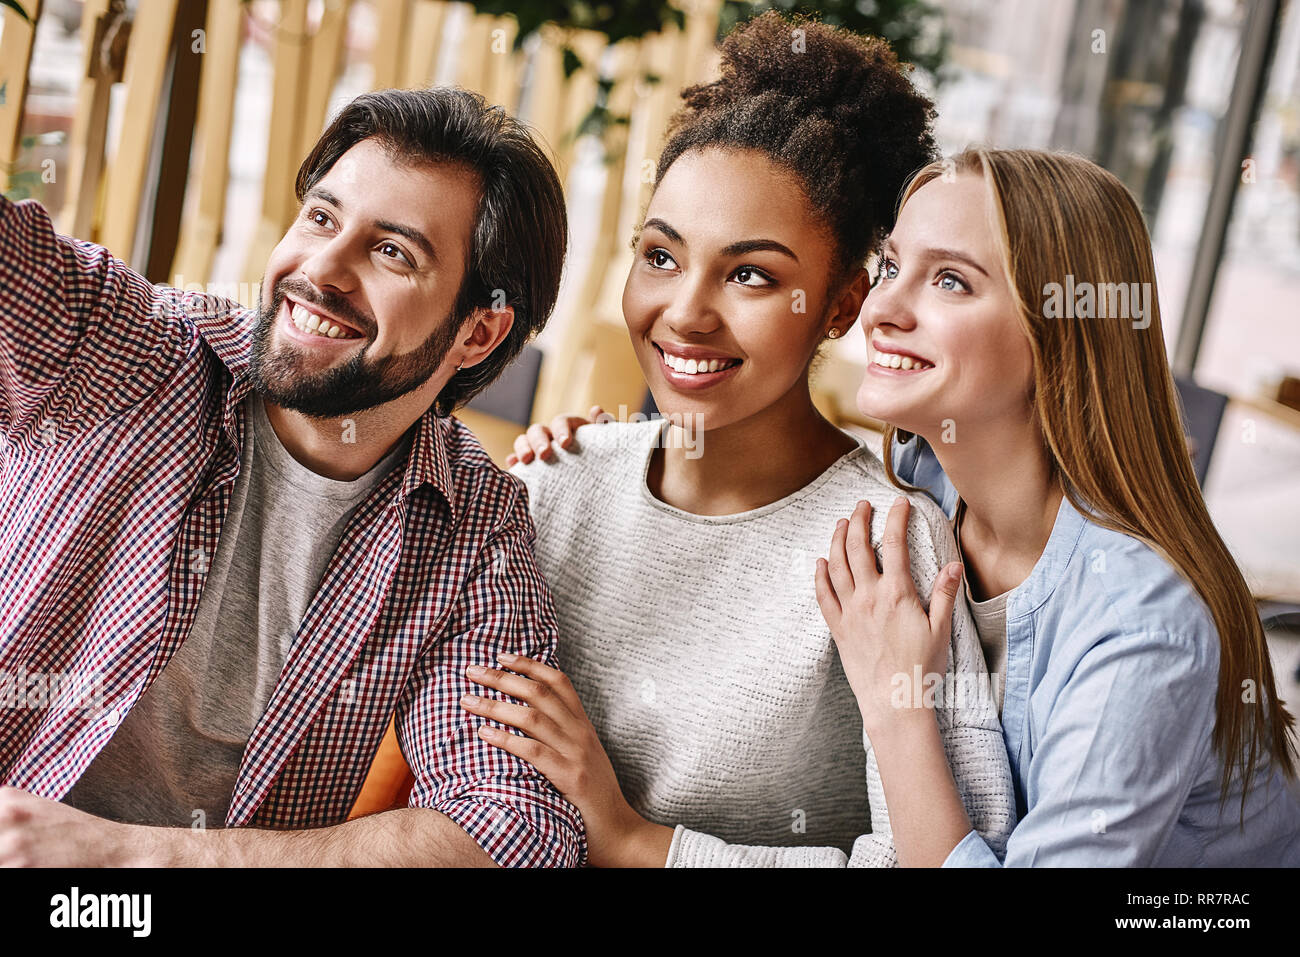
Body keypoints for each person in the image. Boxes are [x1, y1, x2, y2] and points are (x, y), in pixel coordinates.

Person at [459, 12, 1016, 867]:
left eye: (751, 274)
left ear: (841, 304)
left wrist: (638, 841)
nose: (685, 313)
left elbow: (946, 860)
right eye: (660, 256)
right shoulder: (553, 484)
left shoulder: (885, 545)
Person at [0, 88, 585, 866]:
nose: (321, 269)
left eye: (391, 252)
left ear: (478, 331)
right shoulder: (124, 343)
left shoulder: (471, 529)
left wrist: (130, 855)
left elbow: (515, 826)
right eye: (321, 217)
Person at [817, 147, 1300, 865]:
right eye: (891, 266)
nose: (882, 307)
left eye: (950, 280)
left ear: (1059, 335)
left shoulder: (1143, 621)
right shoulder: (927, 484)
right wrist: (606, 451)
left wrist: (898, 703)